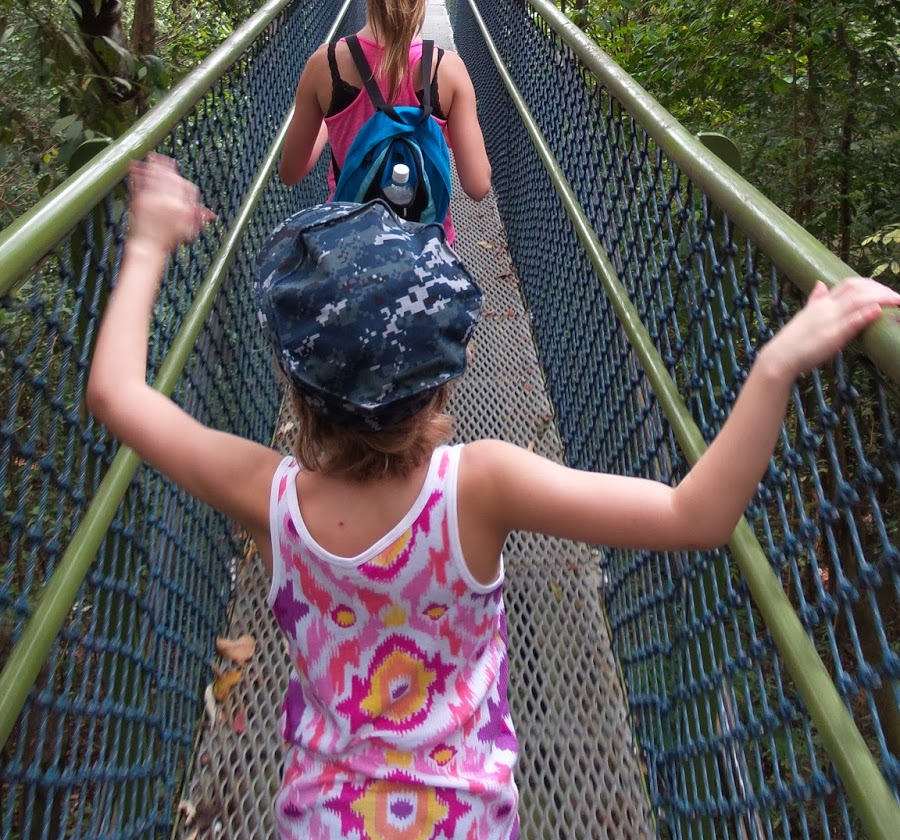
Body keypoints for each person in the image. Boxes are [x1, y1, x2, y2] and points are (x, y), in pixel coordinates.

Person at [87, 156, 898, 840]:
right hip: (467, 818)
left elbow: (119, 393)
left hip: (323, 818)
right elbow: (698, 514)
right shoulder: (480, 483)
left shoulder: (264, 494)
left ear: (296, 388)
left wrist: (151, 240)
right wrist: (775, 366)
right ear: (445, 372)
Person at [279, 0, 491, 245]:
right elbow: (477, 185)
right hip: (427, 254)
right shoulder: (448, 71)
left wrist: (328, 125)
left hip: (351, 248)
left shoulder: (326, 66)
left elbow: (290, 171)